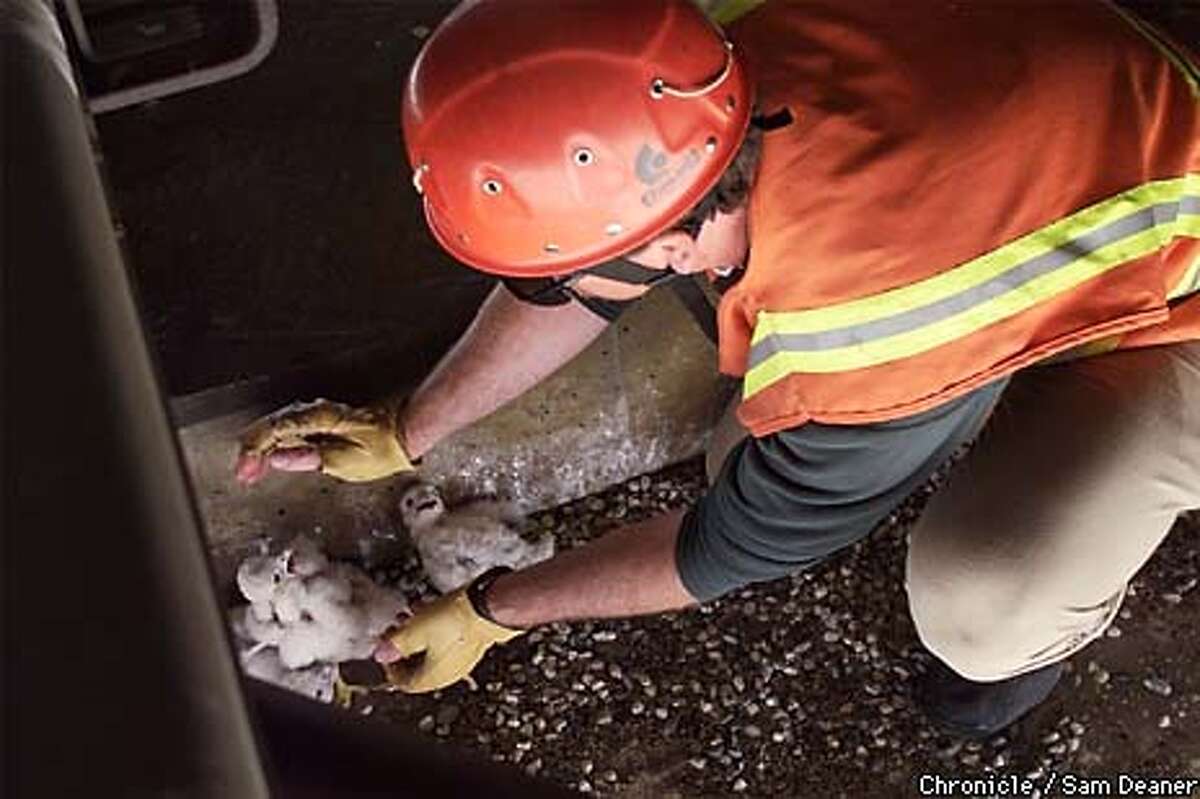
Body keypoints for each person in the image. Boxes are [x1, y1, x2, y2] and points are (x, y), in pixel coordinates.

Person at [235, 0, 1200, 738]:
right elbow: (595, 272)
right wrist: (409, 427)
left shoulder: (862, 327)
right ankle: (986, 393)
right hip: (1081, 155)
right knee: (761, 434)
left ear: (663, 240)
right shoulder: (686, 57)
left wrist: (493, 611)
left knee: (983, 596)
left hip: (1173, 308)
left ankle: (1018, 660)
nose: (568, 284)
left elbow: (730, 547)